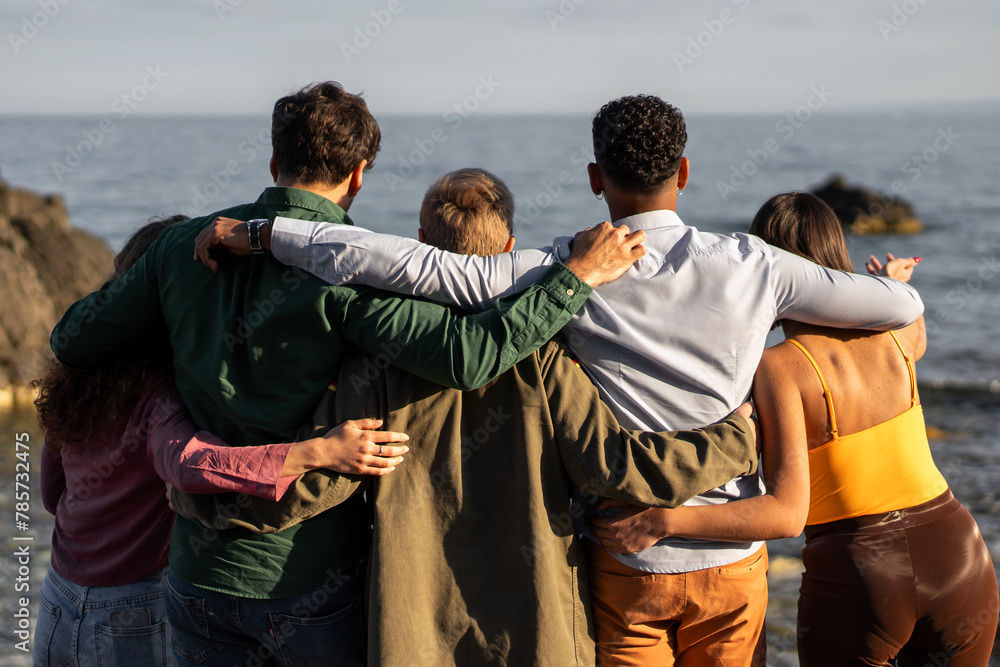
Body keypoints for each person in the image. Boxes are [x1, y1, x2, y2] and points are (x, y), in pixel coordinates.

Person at [195, 95, 925, 665]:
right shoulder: (756, 266)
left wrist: (266, 234)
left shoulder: (566, 268)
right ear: (684, 172)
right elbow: (898, 308)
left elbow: (419, 268)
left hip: (628, 559)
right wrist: (885, 291)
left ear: (594, 179)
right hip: (732, 558)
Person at [48, 82, 645, 665]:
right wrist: (575, 278)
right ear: (359, 175)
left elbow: (73, 341)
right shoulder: (356, 270)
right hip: (310, 576)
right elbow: (468, 357)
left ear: (275, 161)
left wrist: (184, 338)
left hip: (198, 575)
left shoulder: (181, 245)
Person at [172, 167, 760, 665]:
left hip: (414, 630)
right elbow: (617, 466)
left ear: (421, 243)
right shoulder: (545, 354)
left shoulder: (377, 363)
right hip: (536, 625)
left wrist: (199, 498)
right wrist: (740, 435)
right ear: (510, 251)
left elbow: (316, 481)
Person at [592, 192, 997, 665]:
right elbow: (912, 323)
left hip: (862, 573)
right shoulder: (898, 335)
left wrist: (663, 522)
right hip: (960, 558)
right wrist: (885, 285)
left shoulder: (779, 368)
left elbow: (786, 516)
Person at [33, 216, 415, 667]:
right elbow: (190, 464)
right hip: (130, 611)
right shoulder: (159, 396)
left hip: (58, 600)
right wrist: (319, 451)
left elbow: (52, 495)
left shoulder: (75, 382)